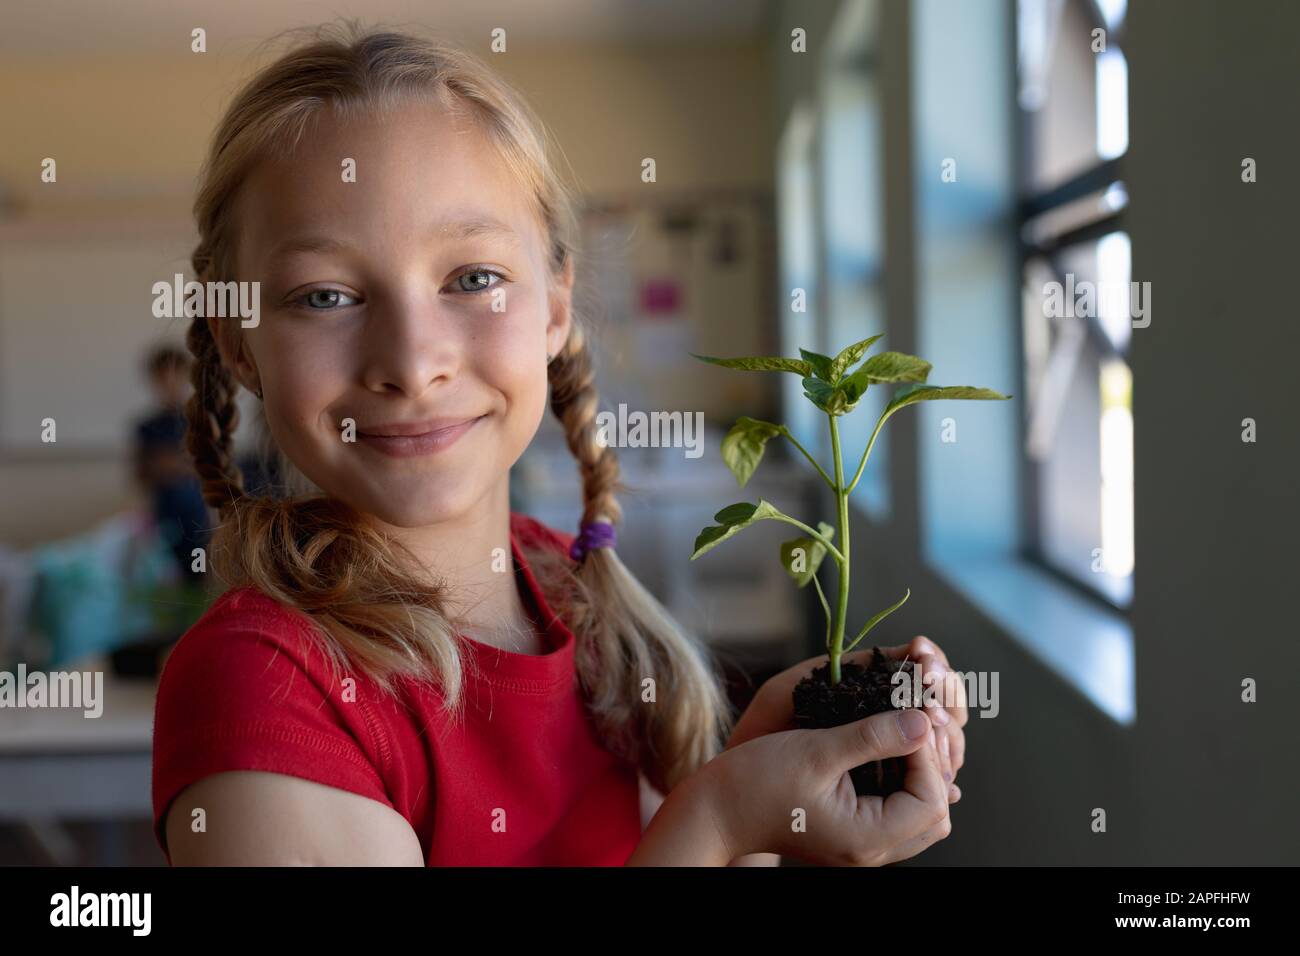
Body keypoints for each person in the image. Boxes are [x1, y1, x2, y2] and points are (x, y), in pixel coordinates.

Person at [151, 24, 966, 867]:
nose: (411, 362)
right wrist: (719, 819)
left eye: (472, 278)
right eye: (324, 295)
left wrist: (762, 785)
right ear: (239, 340)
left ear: (553, 306)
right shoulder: (264, 692)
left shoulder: (561, 587)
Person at [132, 345, 210, 582]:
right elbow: (142, 474)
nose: (169, 384)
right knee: (166, 579)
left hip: (198, 517)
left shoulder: (201, 421)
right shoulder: (146, 426)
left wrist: (169, 464)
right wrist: (178, 465)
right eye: (162, 378)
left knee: (198, 577)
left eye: (175, 377)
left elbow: (209, 468)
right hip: (163, 516)